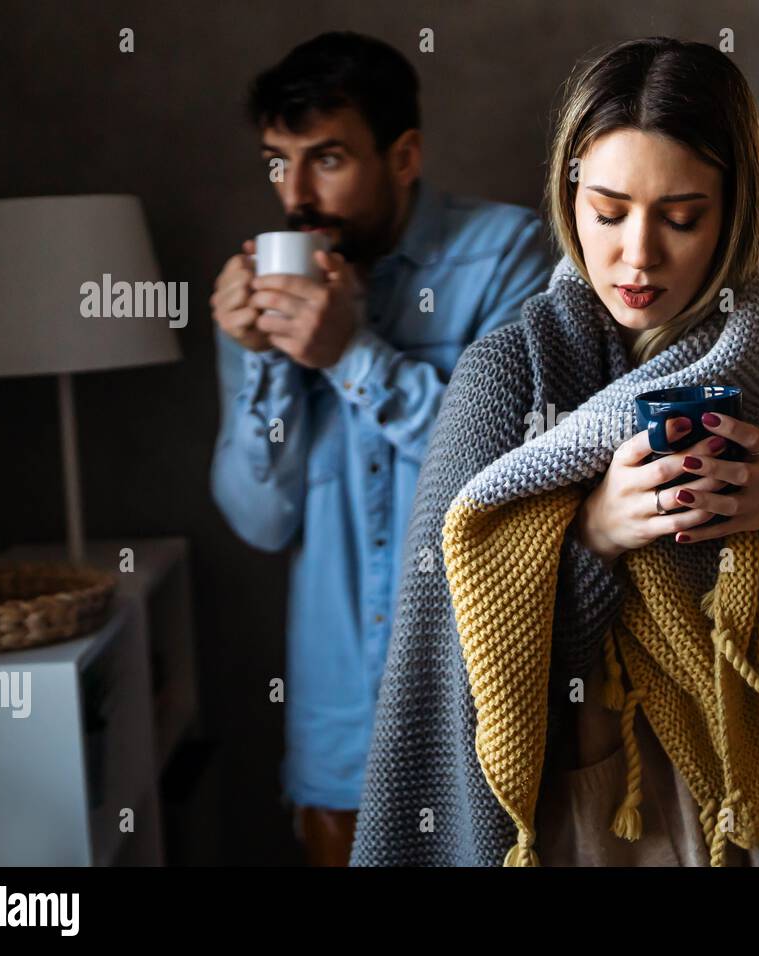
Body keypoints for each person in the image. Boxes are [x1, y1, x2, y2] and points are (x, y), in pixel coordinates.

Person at [351, 37, 759, 867]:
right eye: (609, 212)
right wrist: (593, 538)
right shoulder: (508, 376)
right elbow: (449, 679)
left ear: (738, 210)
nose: (639, 254)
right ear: (569, 195)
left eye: (682, 216)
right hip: (598, 820)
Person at [208, 31, 552, 865]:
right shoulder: (262, 293)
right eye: (276, 161)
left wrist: (352, 357)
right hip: (337, 729)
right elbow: (260, 521)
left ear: (404, 156)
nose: (294, 194)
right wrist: (263, 365)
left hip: (480, 713)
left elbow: (518, 470)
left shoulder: (508, 255)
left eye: (326, 158)